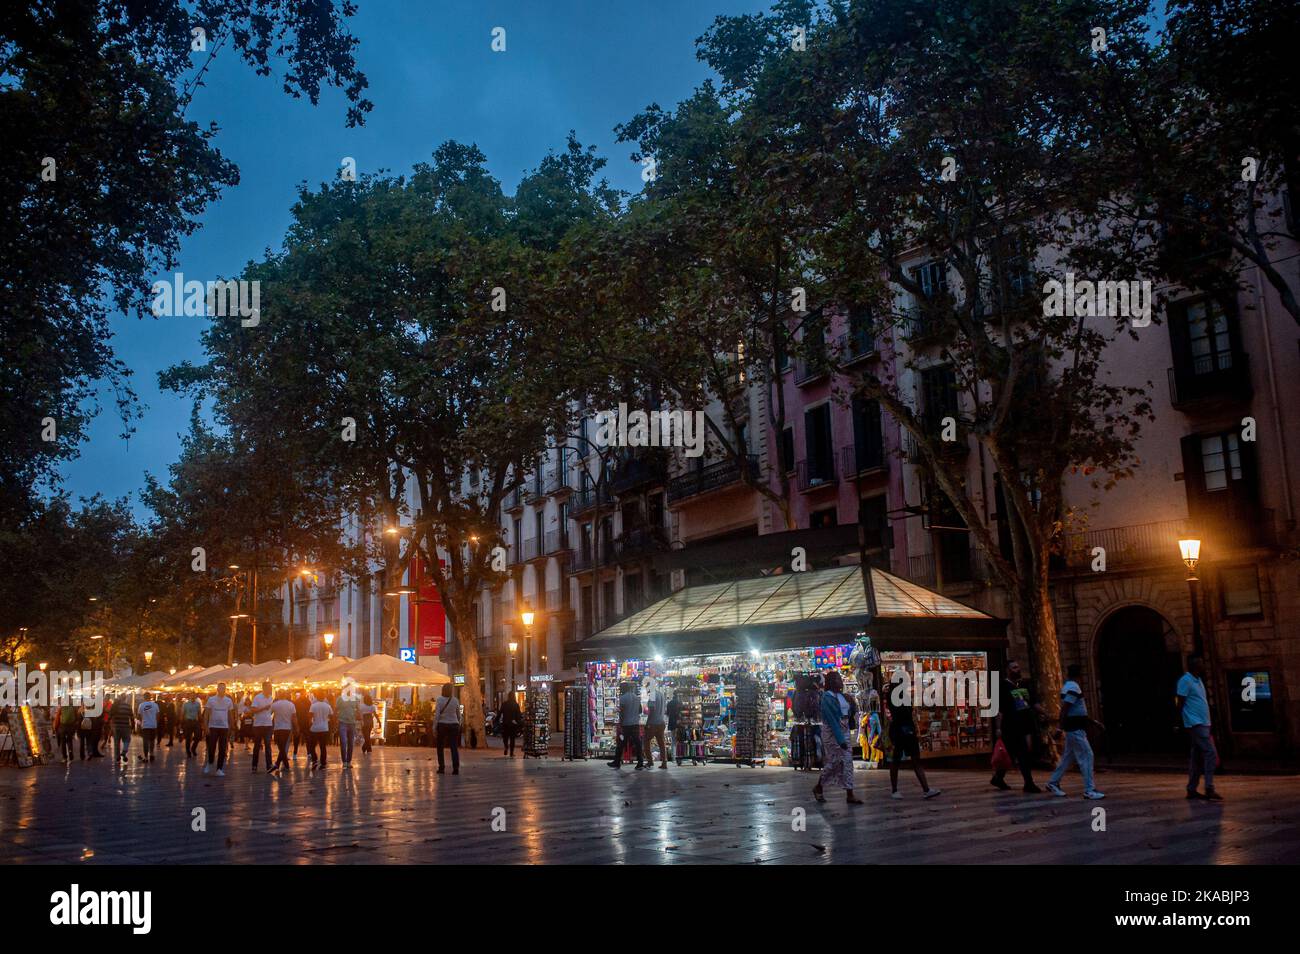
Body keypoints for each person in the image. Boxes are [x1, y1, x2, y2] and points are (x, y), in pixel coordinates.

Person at [1045, 664, 1105, 799]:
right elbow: (1065, 709)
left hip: (1074, 728)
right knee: (1088, 755)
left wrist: (1093, 723)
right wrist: (1060, 728)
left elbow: (1076, 711)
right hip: (1075, 729)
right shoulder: (1073, 687)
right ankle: (1090, 789)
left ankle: (1053, 782)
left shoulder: (1068, 687)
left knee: (1068, 758)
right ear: (1080, 675)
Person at [884, 673, 941, 800]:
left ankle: (895, 790)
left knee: (896, 761)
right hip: (905, 729)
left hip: (898, 730)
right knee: (914, 760)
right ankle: (925, 789)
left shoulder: (891, 695)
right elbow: (905, 713)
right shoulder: (901, 695)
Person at [991, 659, 1043, 793]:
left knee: (1013, 753)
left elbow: (1032, 702)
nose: (1017, 670)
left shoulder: (1024, 685)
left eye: (1018, 667)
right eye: (1014, 668)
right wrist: (998, 728)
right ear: (1008, 671)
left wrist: (1044, 713)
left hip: (1026, 724)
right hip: (1011, 726)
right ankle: (1029, 783)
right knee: (1022, 753)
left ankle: (998, 777)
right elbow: (999, 710)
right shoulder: (1002, 686)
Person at [813, 670, 862, 804]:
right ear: (831, 682)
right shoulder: (827, 698)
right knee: (834, 762)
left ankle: (850, 793)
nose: (840, 682)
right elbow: (833, 721)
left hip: (844, 731)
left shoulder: (842, 696)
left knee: (847, 762)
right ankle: (819, 787)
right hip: (832, 734)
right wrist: (841, 740)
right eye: (837, 680)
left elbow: (850, 712)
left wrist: (852, 704)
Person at [1177, 655, 1221, 801]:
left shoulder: (1199, 680)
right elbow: (1180, 701)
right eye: (1201, 662)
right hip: (1195, 723)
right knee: (1210, 753)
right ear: (1194, 665)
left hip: (1203, 723)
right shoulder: (1185, 680)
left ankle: (1191, 789)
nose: (1203, 665)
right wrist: (1184, 722)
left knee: (1197, 758)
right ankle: (1209, 787)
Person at [607, 682, 644, 770]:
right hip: (635, 724)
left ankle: (617, 761)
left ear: (623, 689)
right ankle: (640, 762)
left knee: (621, 743)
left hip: (626, 725)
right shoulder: (637, 698)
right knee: (637, 743)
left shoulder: (623, 698)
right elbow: (640, 710)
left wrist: (621, 722)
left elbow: (622, 712)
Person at [202, 682, 236, 776]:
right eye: (220, 688)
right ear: (217, 689)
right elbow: (206, 714)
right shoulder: (211, 700)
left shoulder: (228, 701)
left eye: (224, 688)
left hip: (224, 727)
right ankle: (209, 763)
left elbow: (230, 714)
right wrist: (205, 726)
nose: (222, 690)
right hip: (213, 727)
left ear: (225, 689)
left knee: (222, 748)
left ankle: (219, 769)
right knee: (211, 747)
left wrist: (231, 726)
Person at [269, 689, 297, 775]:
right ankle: (279, 764)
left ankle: (282, 765)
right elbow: (294, 717)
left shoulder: (274, 705)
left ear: (278, 695)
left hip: (277, 728)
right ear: (285, 695)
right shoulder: (291, 705)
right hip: (287, 728)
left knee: (281, 747)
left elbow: (269, 714)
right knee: (282, 747)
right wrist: (296, 727)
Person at [434, 684, 461, 775]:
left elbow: (437, 714)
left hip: (442, 725)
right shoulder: (455, 700)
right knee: (454, 747)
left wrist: (434, 727)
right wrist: (459, 724)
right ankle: (455, 768)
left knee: (440, 747)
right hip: (454, 725)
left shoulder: (439, 700)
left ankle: (441, 768)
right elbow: (459, 715)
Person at [643, 678, 670, 769]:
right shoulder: (661, 695)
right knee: (662, 743)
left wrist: (647, 722)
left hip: (653, 723)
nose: (647, 690)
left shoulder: (652, 695)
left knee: (646, 741)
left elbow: (651, 710)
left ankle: (650, 761)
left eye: (647, 688)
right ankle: (664, 762)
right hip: (661, 722)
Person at [249, 681, 275, 772]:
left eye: (271, 687)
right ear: (264, 688)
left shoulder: (271, 698)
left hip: (268, 724)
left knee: (268, 745)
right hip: (258, 725)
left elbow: (270, 711)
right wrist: (264, 708)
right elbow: (253, 710)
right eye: (269, 687)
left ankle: (269, 765)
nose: (271, 689)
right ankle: (254, 766)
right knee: (257, 745)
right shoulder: (257, 697)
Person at [336, 685, 360, 768]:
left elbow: (358, 709)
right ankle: (344, 761)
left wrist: (360, 718)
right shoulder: (340, 698)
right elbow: (336, 709)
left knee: (350, 743)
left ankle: (348, 761)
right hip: (342, 722)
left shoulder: (355, 699)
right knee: (343, 742)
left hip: (352, 723)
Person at [308, 692, 333, 770]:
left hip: (315, 728)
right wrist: (327, 720)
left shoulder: (313, 706)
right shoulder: (328, 706)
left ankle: (315, 760)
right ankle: (323, 763)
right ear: (324, 697)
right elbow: (331, 716)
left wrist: (310, 725)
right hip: (324, 728)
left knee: (312, 746)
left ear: (316, 696)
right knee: (323, 747)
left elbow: (310, 717)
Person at [108, 693, 134, 766]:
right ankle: (124, 751)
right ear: (125, 698)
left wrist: (109, 723)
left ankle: (117, 758)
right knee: (127, 740)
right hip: (125, 726)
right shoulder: (128, 706)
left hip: (116, 726)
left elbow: (110, 716)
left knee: (117, 742)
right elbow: (132, 717)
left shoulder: (115, 706)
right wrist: (132, 726)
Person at [137, 693, 160, 762]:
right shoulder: (155, 705)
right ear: (150, 697)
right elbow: (158, 715)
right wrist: (156, 723)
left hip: (145, 725)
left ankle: (146, 757)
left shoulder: (141, 705)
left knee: (145, 741)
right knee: (152, 740)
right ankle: (152, 754)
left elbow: (138, 716)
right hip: (153, 725)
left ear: (144, 697)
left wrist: (140, 724)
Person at [498, 692, 522, 757]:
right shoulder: (516, 704)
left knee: (505, 738)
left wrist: (496, 720)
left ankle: (506, 746)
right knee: (512, 739)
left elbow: (500, 713)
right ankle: (511, 752)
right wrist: (518, 722)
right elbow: (518, 715)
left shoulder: (504, 704)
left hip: (505, 723)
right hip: (513, 724)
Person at [180, 693, 202, 757]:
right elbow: (182, 713)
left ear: (195, 697)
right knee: (188, 738)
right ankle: (188, 751)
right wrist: (181, 722)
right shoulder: (186, 704)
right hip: (188, 722)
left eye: (194, 695)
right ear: (189, 696)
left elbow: (199, 713)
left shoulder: (198, 704)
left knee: (198, 737)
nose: (193, 697)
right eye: (191, 695)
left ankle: (193, 748)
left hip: (195, 721)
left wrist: (201, 722)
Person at [293, 690, 312, 759]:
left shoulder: (297, 702)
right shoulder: (307, 702)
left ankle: (306, 753)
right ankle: (307, 753)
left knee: (301, 738)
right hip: (302, 722)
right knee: (303, 738)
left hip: (302, 722)